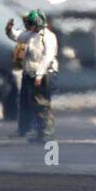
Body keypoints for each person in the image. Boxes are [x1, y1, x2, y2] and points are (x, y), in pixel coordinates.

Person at [7, 10, 58, 142]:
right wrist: (9, 29)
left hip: (44, 74)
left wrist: (39, 76)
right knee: (29, 103)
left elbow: (48, 58)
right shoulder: (30, 35)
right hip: (29, 74)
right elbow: (16, 36)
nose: (28, 26)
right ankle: (34, 132)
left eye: (30, 23)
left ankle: (47, 133)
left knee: (42, 104)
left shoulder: (48, 37)